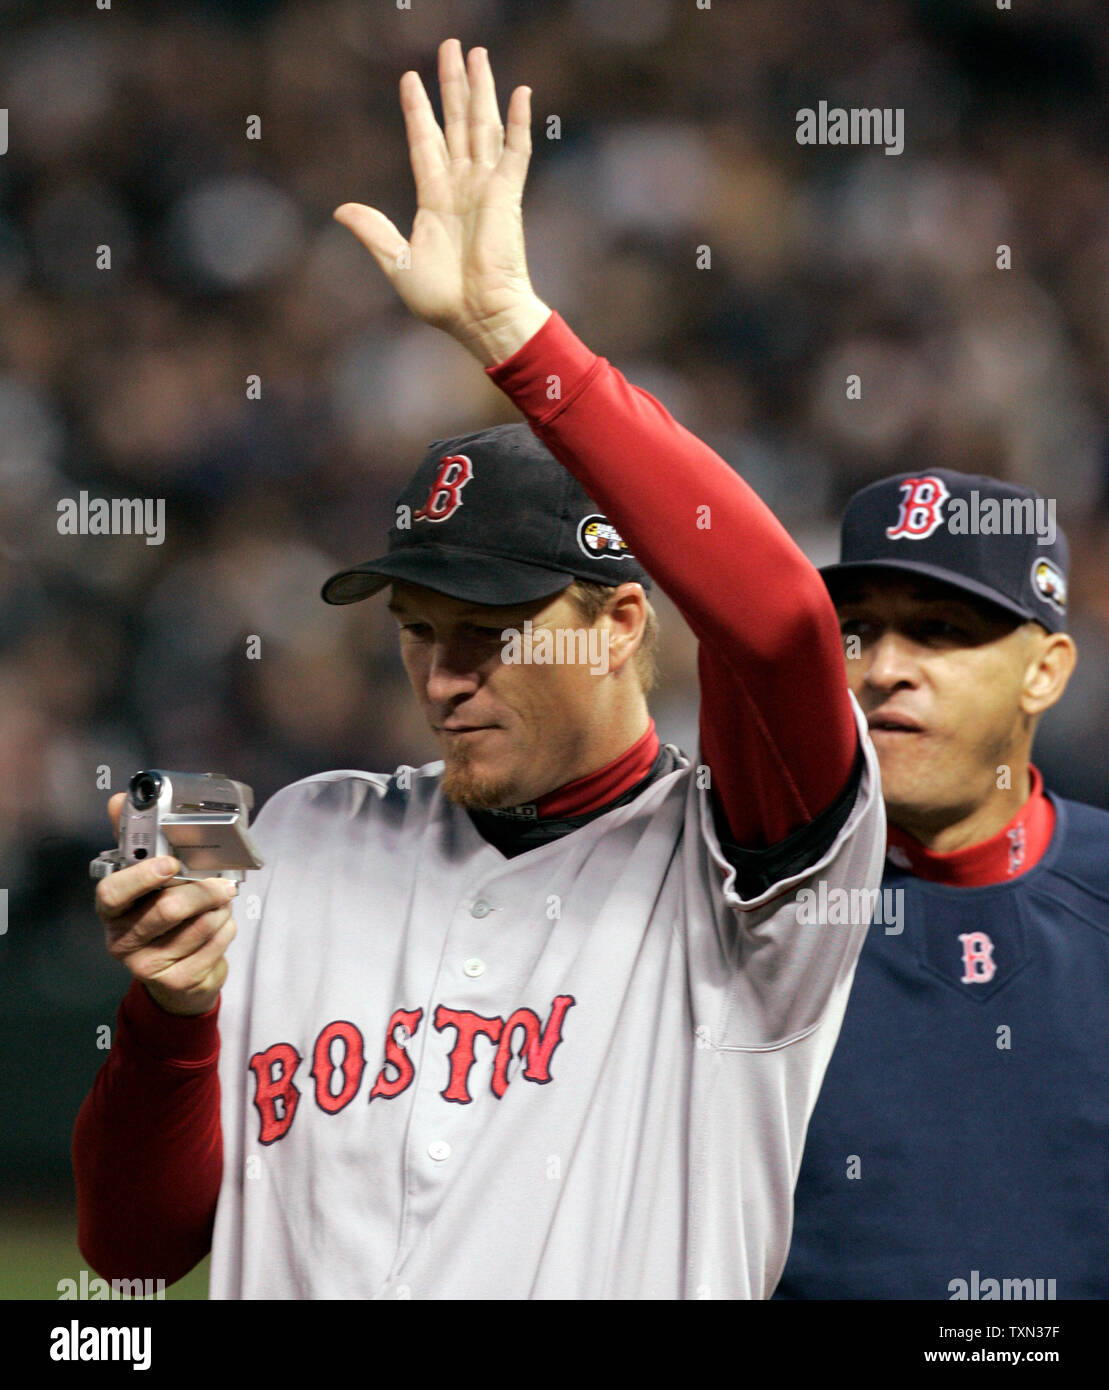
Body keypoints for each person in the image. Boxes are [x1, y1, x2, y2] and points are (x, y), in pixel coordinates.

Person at [73, 39, 884, 1300]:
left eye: (492, 628)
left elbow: (777, 621)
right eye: (417, 624)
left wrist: (518, 337)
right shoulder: (308, 836)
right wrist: (170, 1022)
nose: (443, 672)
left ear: (619, 623)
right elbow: (131, 1249)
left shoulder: (742, 872)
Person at [776, 468, 1109, 1300]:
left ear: (1044, 671)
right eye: (855, 631)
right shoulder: (751, 903)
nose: (884, 667)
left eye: (937, 629)